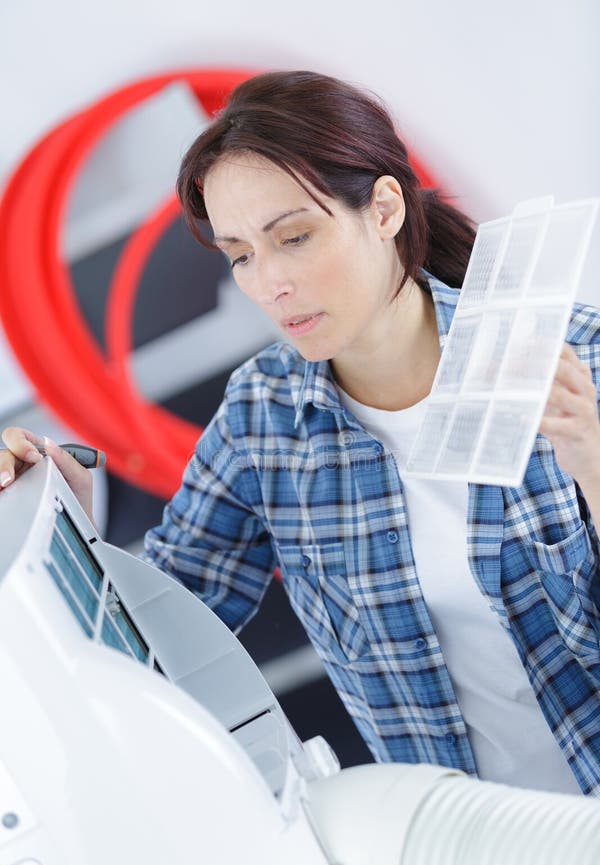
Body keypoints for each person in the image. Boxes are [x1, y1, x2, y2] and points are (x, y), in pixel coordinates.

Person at [1, 70, 599, 796]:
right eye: (242, 255)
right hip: (463, 847)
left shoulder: (573, 356)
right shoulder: (264, 420)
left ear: (383, 208)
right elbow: (155, 643)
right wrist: (70, 523)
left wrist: (593, 464)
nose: (268, 284)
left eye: (294, 237)